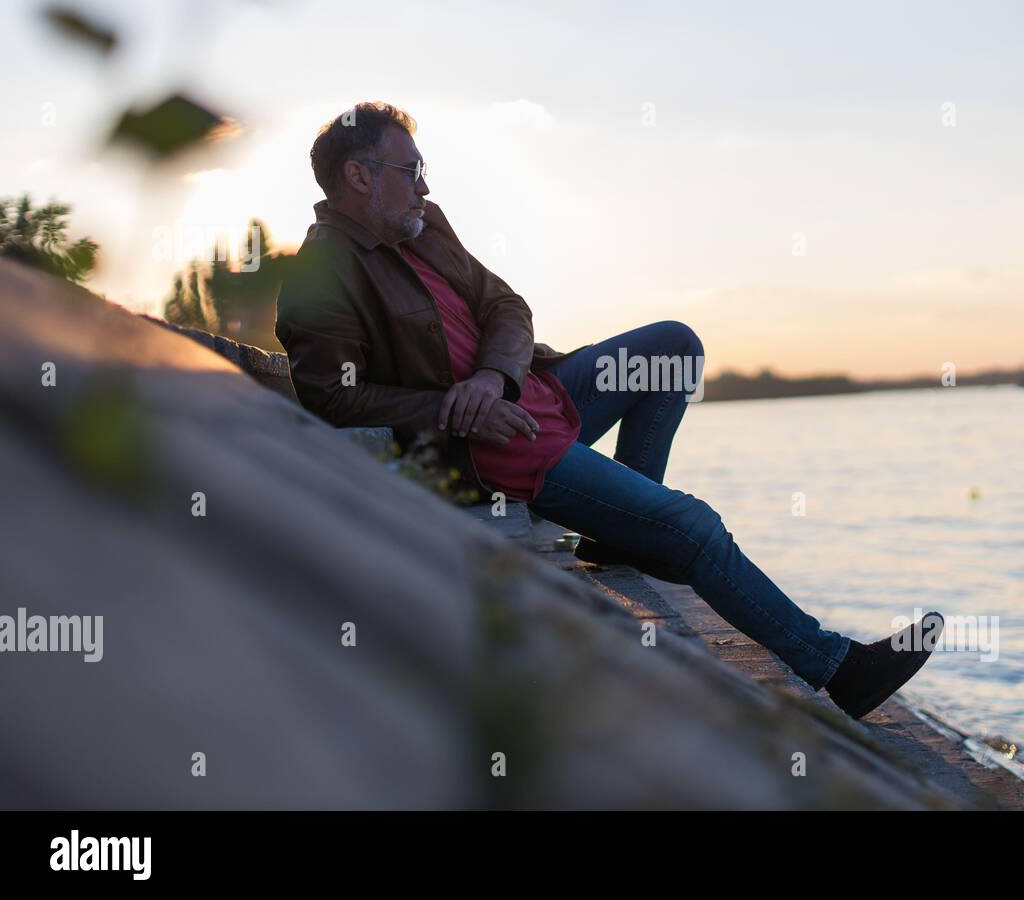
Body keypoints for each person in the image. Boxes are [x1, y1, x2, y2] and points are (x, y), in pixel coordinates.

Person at [275, 101, 944, 719]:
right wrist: (461, 407)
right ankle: (837, 667)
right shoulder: (322, 271)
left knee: (674, 348)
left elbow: (506, 307)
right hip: (489, 449)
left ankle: (619, 535)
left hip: (528, 388)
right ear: (358, 176)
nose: (424, 185)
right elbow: (330, 396)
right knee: (692, 524)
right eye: (411, 170)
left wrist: (494, 377)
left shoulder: (427, 227)